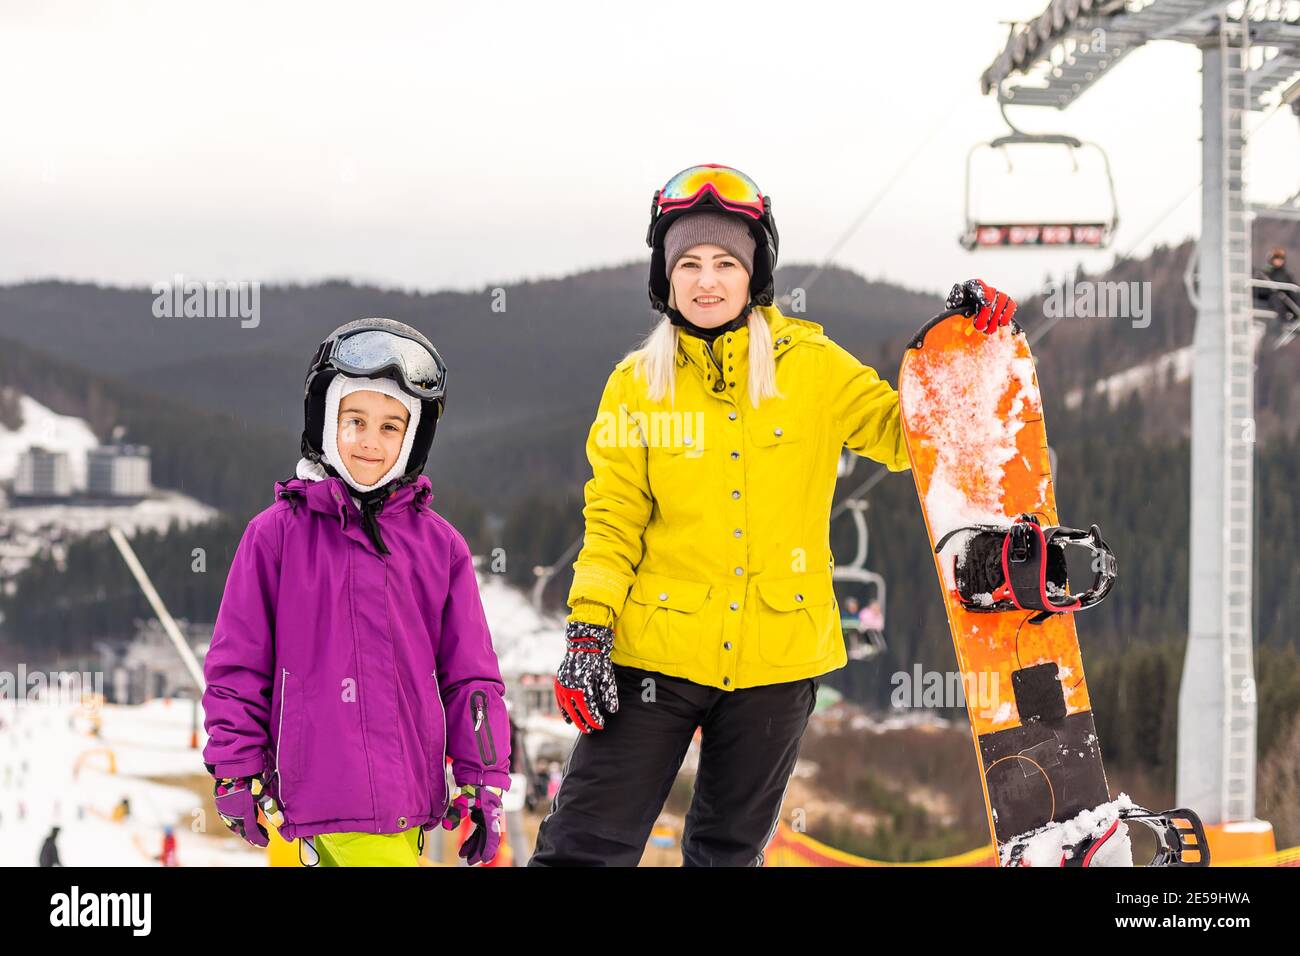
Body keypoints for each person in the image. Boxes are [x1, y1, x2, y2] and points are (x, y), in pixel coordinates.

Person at [530, 163, 1017, 866]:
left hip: (777, 662)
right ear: (664, 277)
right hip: (651, 656)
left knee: (728, 854)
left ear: (754, 272)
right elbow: (613, 522)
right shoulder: (636, 387)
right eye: (688, 262)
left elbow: (905, 434)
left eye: (725, 262)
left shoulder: (811, 367)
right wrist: (587, 632)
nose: (705, 280)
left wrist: (965, 352)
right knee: (584, 846)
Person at [201, 318, 511, 867]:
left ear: (413, 437)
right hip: (303, 813)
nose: (371, 440)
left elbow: (471, 678)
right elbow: (238, 667)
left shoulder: (441, 548)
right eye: (356, 420)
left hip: (401, 813)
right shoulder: (274, 537)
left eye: (392, 426)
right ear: (327, 422)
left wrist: (483, 780)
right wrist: (233, 767)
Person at [1255, 246, 1300, 329]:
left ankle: (1296, 317)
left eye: (1281, 259)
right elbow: (1259, 290)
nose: (1279, 261)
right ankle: (1285, 323)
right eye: (1277, 259)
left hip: (1285, 298)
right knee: (1277, 299)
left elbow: (1292, 287)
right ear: (1272, 260)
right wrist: (1272, 290)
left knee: (1295, 296)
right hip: (1270, 299)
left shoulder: (1286, 274)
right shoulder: (1266, 273)